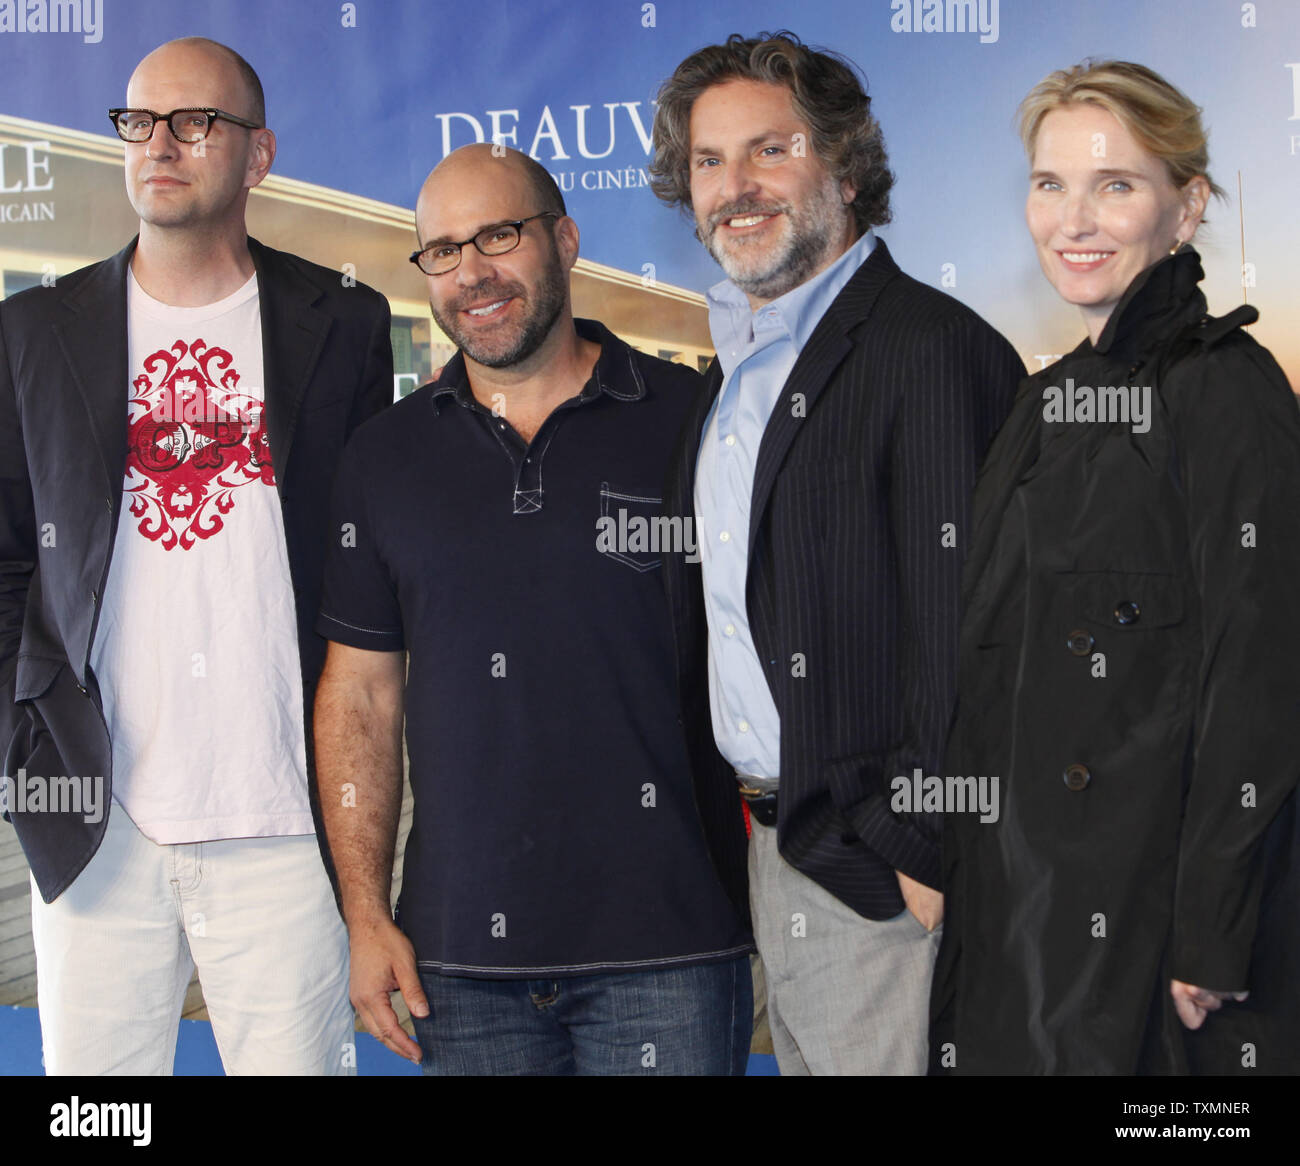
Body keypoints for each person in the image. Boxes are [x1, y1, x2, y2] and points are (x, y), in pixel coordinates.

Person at [312, 143, 754, 1077]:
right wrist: (364, 914)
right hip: (459, 964)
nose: (471, 272)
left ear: (565, 239)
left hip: (669, 951)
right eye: (441, 251)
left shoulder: (695, 420)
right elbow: (360, 697)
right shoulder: (383, 459)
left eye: (499, 236)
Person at [0, 37, 393, 1074]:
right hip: (95, 819)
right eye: (138, 121)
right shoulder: (34, 330)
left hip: (283, 821)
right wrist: (22, 740)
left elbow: (365, 564)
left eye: (194, 122)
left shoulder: (343, 323)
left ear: (257, 154)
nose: (159, 145)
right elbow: (4, 552)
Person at [648, 32, 1023, 1075]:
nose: (734, 187)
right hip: (773, 847)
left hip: (877, 874)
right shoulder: (737, 372)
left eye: (771, 150)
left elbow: (974, 628)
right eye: (710, 162)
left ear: (846, 167)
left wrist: (916, 846)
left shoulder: (928, 349)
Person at [930, 59, 1300, 1075]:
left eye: (1116, 185)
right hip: (1021, 930)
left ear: (1185, 209)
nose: (1072, 218)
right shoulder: (1042, 408)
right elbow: (990, 675)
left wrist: (1213, 928)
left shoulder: (1227, 393)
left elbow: (1262, 679)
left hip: (1158, 963)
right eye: (1049, 184)